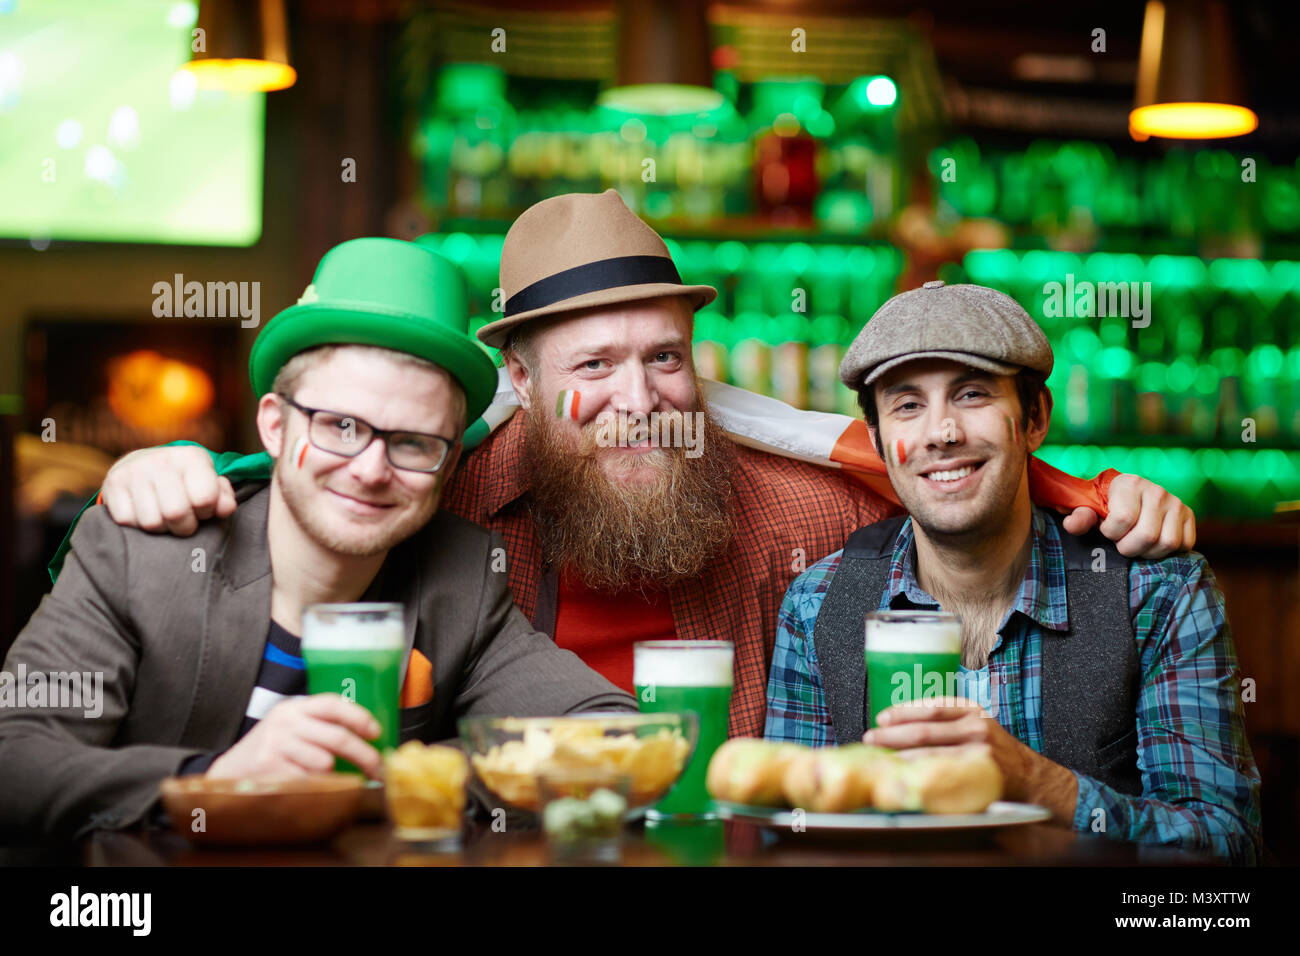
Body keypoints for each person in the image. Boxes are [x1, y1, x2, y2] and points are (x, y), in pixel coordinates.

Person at [71, 191, 1197, 740]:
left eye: (665, 356)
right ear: (515, 377)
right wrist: (161, 472)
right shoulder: (434, 496)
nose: (639, 397)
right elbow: (318, 474)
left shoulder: (801, 508)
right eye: (594, 362)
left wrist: (1103, 500)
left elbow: (952, 469)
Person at [0, 238, 633, 841]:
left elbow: (613, 739)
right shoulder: (141, 552)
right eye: (340, 425)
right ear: (273, 426)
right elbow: (16, 760)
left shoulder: (460, 580)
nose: (370, 468)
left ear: (446, 465)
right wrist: (213, 783)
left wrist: (393, 779)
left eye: (413, 442)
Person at [763, 281, 1261, 864]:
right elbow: (789, 836)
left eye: (972, 394)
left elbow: (1227, 850)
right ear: (877, 440)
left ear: (1034, 418)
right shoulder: (818, 603)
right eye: (907, 405)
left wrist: (1035, 783)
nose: (942, 432)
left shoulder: (1157, 591)